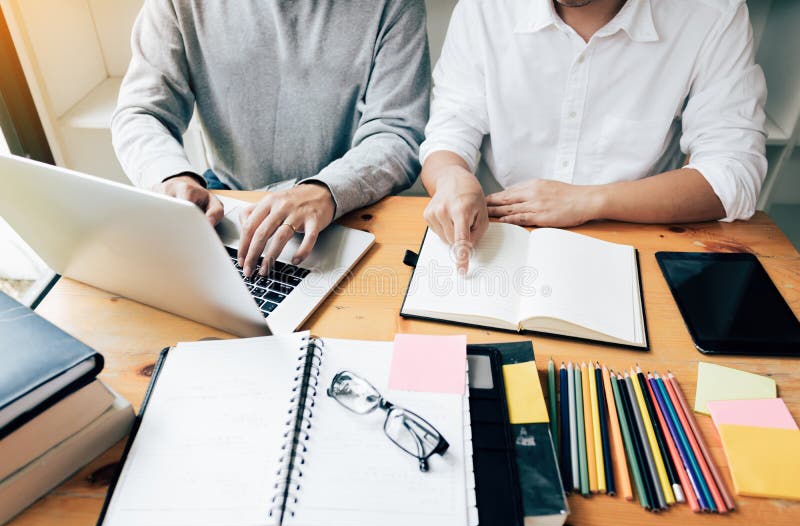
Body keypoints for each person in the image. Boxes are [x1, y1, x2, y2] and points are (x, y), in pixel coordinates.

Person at [420, 0, 767, 272]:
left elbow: (733, 175)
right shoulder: (482, 9)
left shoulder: (711, 14)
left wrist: (588, 200)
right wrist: (452, 177)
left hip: (636, 237)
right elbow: (449, 130)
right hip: (501, 235)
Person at [112, 0, 430, 278]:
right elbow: (141, 113)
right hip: (228, 205)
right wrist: (171, 176)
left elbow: (398, 131)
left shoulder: (394, 5)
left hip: (345, 208)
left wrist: (326, 190)